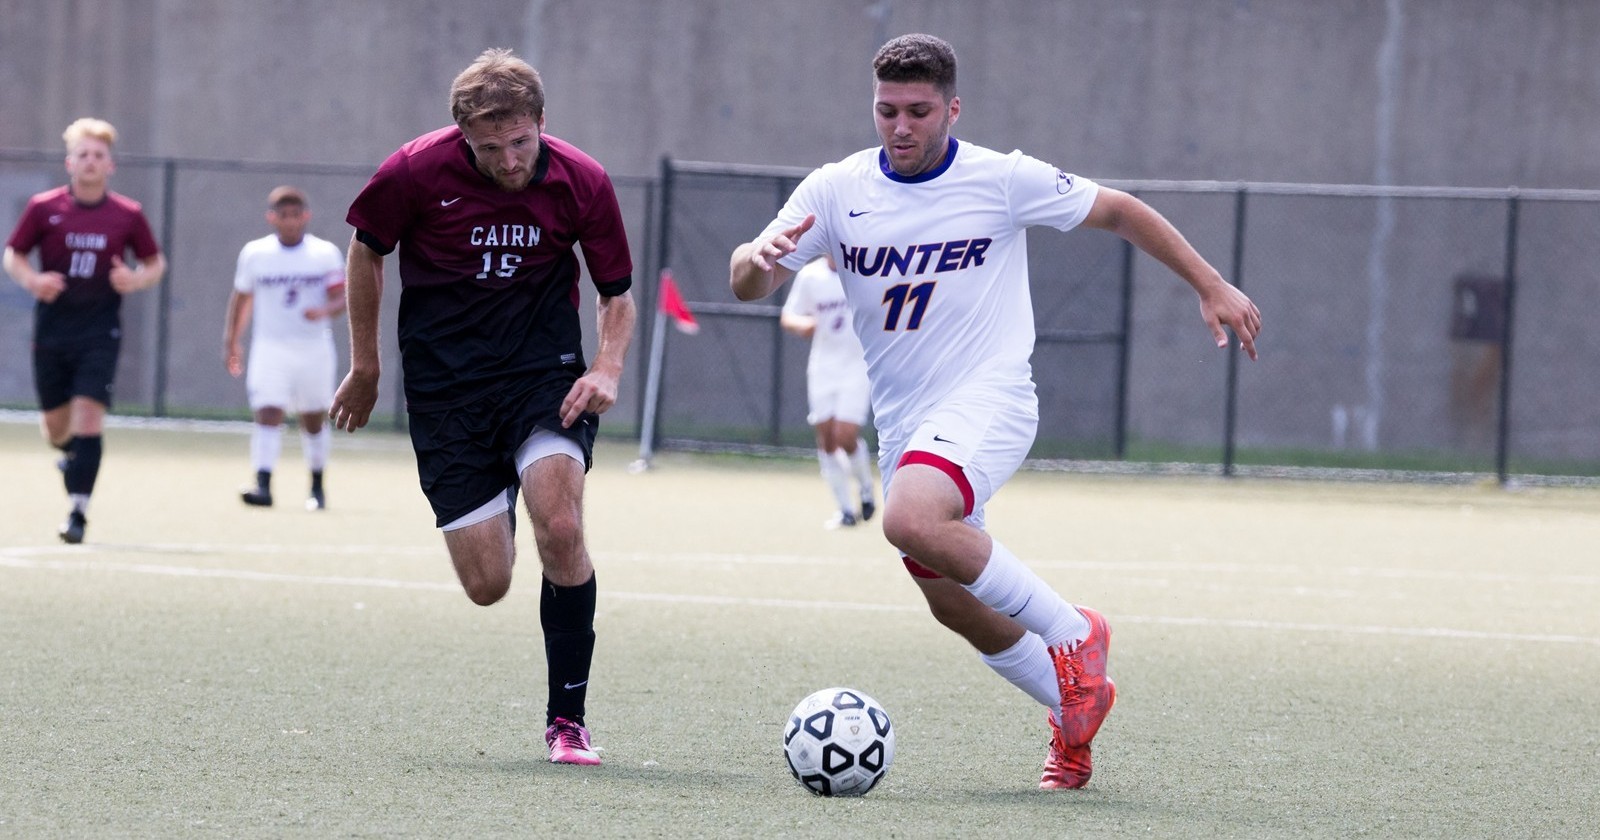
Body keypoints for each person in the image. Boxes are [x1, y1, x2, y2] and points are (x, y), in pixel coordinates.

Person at [731, 34, 1262, 790]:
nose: (901, 127)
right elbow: (746, 283)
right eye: (887, 111)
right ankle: (1072, 717)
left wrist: (1210, 284)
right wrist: (756, 258)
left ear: (953, 108)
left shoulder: (1001, 179)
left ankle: (1077, 632)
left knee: (908, 519)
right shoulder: (833, 190)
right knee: (948, 595)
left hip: (993, 397)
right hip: (909, 424)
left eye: (918, 111)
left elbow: (1118, 209)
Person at [330, 48, 636, 767]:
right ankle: (500, 486)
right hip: (447, 393)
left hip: (542, 378)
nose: (508, 160)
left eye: (521, 142)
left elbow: (616, 293)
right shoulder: (412, 170)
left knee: (560, 527)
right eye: (489, 148)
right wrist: (366, 365)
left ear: (541, 122)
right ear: (464, 137)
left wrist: (607, 365)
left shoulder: (582, 180)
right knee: (487, 585)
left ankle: (568, 720)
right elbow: (365, 251)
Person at [3, 118, 167, 544]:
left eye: (99, 155)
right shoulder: (44, 208)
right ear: (70, 163)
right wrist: (33, 281)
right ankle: (69, 455)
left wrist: (136, 279)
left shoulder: (127, 214)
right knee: (56, 429)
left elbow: (155, 264)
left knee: (90, 416)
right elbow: (14, 255)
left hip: (100, 332)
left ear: (110, 165)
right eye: (84, 155)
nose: (91, 162)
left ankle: (77, 512)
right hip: (53, 331)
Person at [223, 186, 347, 511]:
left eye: (296, 215)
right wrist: (232, 340)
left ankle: (317, 486)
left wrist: (323, 311)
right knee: (267, 412)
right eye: (283, 215)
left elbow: (341, 296)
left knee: (313, 418)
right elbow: (242, 298)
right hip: (271, 348)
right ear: (271, 218)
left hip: (313, 348)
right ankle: (263, 484)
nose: (290, 222)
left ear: (305, 216)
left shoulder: (324, 253)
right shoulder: (255, 253)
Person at [779, 255, 876, 529]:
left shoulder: (864, 271)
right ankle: (845, 509)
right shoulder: (811, 276)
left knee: (845, 435)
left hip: (857, 365)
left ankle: (866, 488)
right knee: (827, 440)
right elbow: (789, 316)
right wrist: (803, 324)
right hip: (823, 366)